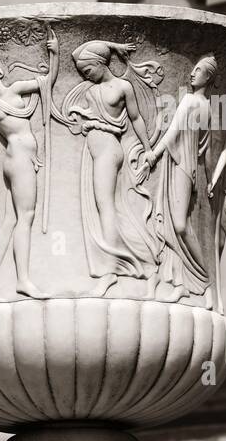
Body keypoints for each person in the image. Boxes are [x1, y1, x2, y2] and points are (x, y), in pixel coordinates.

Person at [59, 40, 161, 296]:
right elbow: (74, 54)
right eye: (82, 73)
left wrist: (148, 148)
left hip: (107, 150)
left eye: (87, 70)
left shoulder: (122, 87)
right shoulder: (91, 92)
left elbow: (136, 118)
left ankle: (110, 271)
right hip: (93, 150)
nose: (85, 75)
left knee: (105, 208)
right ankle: (122, 262)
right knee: (102, 208)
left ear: (100, 63)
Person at [0, 31, 59, 301]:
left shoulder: (7, 96)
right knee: (25, 218)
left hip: (16, 161)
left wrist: (54, 52)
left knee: (10, 220)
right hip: (20, 161)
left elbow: (47, 82)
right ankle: (23, 281)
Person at [146, 54, 218, 303]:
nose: (192, 73)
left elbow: (174, 134)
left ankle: (205, 281)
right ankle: (180, 282)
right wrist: (209, 180)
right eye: (193, 69)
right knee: (174, 224)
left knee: (178, 225)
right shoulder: (203, 105)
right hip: (181, 165)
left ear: (208, 77)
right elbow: (204, 150)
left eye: (198, 70)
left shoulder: (192, 102)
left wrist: (152, 155)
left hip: (181, 166)